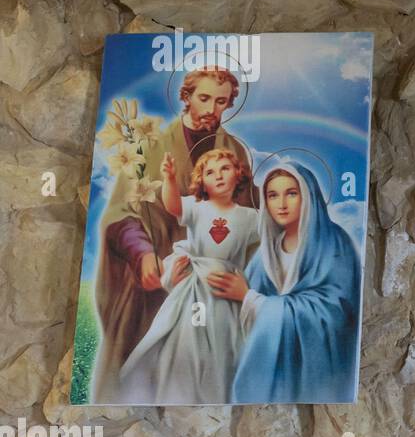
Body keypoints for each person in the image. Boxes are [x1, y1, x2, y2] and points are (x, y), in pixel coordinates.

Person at [92, 66, 254, 403]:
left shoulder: (235, 152)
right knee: (147, 372)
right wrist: (143, 254)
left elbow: (250, 225)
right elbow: (122, 212)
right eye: (204, 97)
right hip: (153, 282)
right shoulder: (150, 145)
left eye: (221, 101)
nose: (211, 109)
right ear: (187, 96)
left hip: (215, 287)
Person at [208, 162, 362, 405]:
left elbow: (335, 313)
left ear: (308, 196)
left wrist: (250, 299)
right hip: (273, 364)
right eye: (272, 195)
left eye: (291, 193)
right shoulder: (266, 254)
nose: (281, 204)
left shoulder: (333, 244)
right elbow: (241, 306)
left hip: (316, 368)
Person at [117, 148, 260, 404]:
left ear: (238, 174)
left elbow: (273, 236)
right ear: (201, 180)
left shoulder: (250, 218)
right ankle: (179, 385)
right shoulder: (197, 207)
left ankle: (217, 387)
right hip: (195, 283)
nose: (218, 176)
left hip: (226, 286)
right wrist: (170, 179)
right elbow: (172, 205)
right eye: (210, 172)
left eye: (225, 169)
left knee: (223, 338)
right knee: (186, 334)